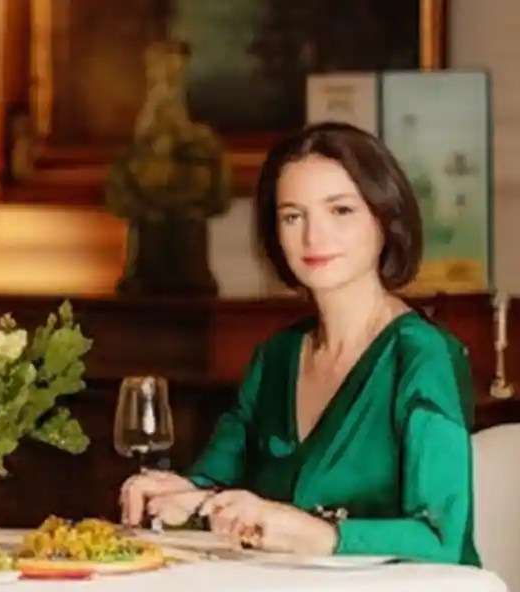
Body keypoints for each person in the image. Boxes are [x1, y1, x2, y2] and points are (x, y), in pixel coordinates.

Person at [119, 121, 479, 566]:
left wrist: (318, 535)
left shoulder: (422, 357)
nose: (313, 236)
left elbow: (442, 540)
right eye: (293, 216)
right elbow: (211, 487)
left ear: (386, 219)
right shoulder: (275, 358)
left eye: (341, 210)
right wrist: (179, 497)